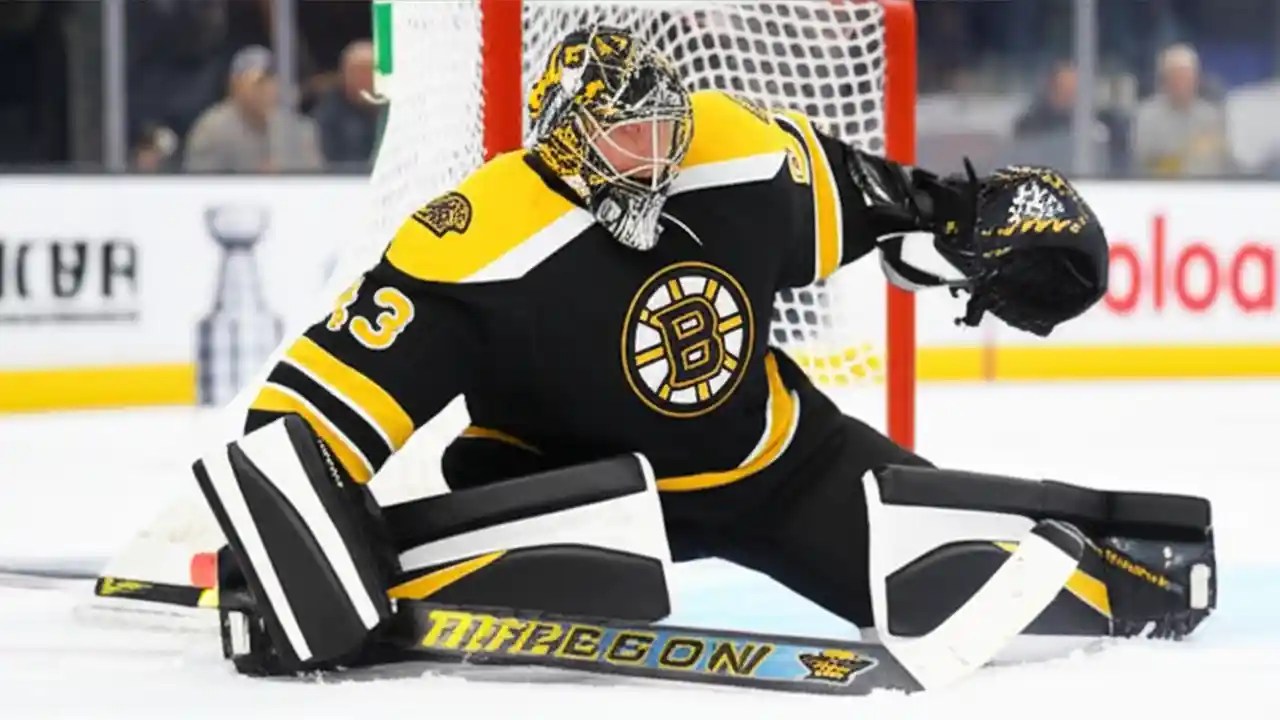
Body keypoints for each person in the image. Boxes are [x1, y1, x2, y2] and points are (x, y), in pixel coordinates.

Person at [195, 28, 1215, 676]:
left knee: (975, 576)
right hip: (574, 500)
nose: (654, 159)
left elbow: (891, 209)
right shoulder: (478, 234)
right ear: (559, 139)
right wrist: (289, 544)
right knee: (382, 583)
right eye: (624, 142)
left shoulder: (737, 147)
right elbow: (312, 411)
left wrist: (974, 226)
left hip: (780, 466)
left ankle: (1133, 563)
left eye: (662, 136)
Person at [184, 45, 323, 173]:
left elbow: (315, 182)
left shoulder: (298, 129)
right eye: (259, 83)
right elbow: (201, 188)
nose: (267, 89)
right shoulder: (212, 130)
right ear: (235, 85)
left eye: (273, 81)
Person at [1131, 44, 1231, 177]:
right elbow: (1144, 160)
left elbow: (1222, 161)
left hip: (1206, 191)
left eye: (1188, 78)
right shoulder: (1147, 116)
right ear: (1165, 80)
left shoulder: (1211, 116)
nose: (1183, 84)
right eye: (1177, 78)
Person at [312, 40, 379, 167]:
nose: (365, 79)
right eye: (359, 72)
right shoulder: (328, 115)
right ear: (345, 75)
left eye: (370, 72)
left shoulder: (393, 110)